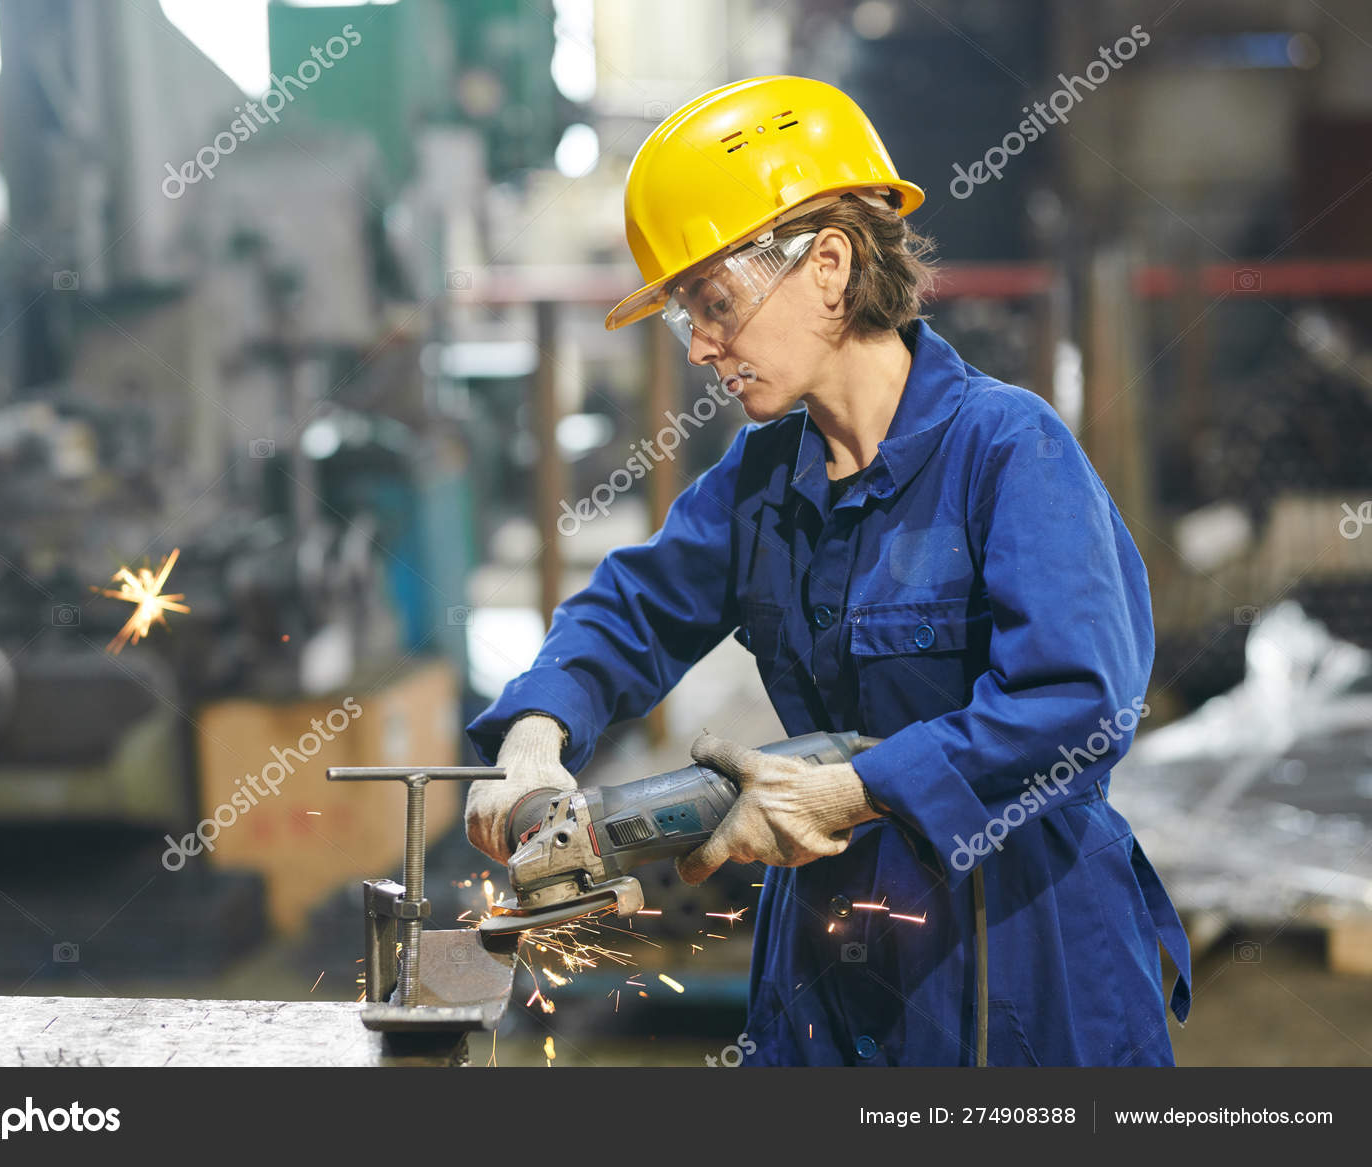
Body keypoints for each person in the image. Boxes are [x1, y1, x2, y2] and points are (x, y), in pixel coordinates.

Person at [463, 75, 1190, 1066]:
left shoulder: (1005, 450)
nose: (703, 346)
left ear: (830, 267)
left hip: (1020, 958)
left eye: (714, 302)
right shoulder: (767, 477)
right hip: (839, 959)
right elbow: (634, 608)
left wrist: (857, 789)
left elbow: (1079, 703)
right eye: (686, 314)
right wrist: (535, 740)